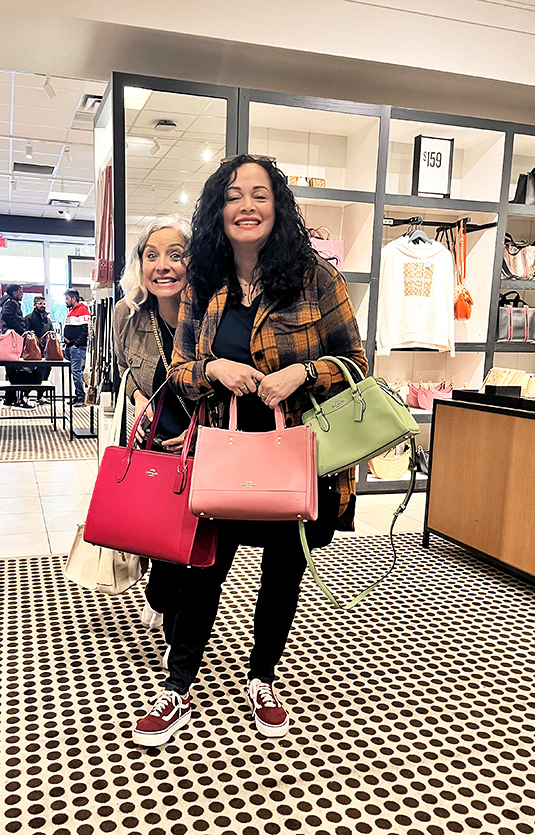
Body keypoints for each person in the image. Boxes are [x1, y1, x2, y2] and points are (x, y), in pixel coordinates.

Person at [132, 155, 368, 747]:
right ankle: (178, 686)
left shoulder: (318, 279)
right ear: (218, 209)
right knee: (201, 569)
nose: (247, 206)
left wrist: (304, 372)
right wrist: (214, 367)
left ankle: (263, 676)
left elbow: (358, 366)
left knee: (283, 570)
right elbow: (180, 369)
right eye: (234, 195)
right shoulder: (204, 281)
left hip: (296, 454)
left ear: (277, 207)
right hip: (225, 451)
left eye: (260, 195)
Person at [113, 216, 193, 658]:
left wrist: (197, 432)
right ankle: (164, 600)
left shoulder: (210, 312)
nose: (163, 266)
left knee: (197, 544)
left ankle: (181, 635)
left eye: (176, 254)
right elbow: (123, 373)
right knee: (162, 547)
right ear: (140, 263)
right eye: (152, 255)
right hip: (151, 446)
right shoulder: (128, 314)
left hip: (203, 444)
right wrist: (139, 393)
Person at [0, 283, 36, 410]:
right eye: (21, 292)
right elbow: (7, 316)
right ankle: (19, 400)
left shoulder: (6, 302)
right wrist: (21, 331)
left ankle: (9, 399)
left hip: (9, 339)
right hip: (13, 340)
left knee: (11, 368)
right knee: (17, 369)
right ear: (14, 292)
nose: (22, 294)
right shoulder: (11, 303)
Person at [24, 295, 53, 406]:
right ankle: (25, 395)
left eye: (44, 303)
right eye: (40, 303)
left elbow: (51, 332)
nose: (42, 306)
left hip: (46, 351)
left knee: (45, 372)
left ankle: (40, 396)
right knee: (31, 373)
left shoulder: (48, 320)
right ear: (34, 305)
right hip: (33, 350)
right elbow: (27, 333)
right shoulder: (29, 318)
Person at [63, 289, 90, 406]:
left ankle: (81, 397)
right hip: (71, 347)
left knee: (76, 372)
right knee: (75, 372)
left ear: (74, 299)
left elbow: (85, 329)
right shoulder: (71, 312)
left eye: (67, 298)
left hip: (76, 348)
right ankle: (78, 395)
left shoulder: (82, 310)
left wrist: (76, 344)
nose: (66, 301)